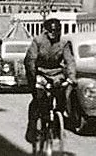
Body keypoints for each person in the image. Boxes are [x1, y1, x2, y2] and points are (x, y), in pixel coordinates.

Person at [24, 18, 76, 146]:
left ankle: (57, 124)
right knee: (38, 100)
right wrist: (33, 78)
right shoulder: (38, 41)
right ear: (46, 31)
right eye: (51, 31)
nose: (54, 34)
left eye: (57, 31)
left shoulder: (63, 43)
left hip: (56, 74)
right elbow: (30, 60)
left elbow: (70, 61)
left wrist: (71, 77)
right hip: (40, 73)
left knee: (62, 95)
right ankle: (32, 128)